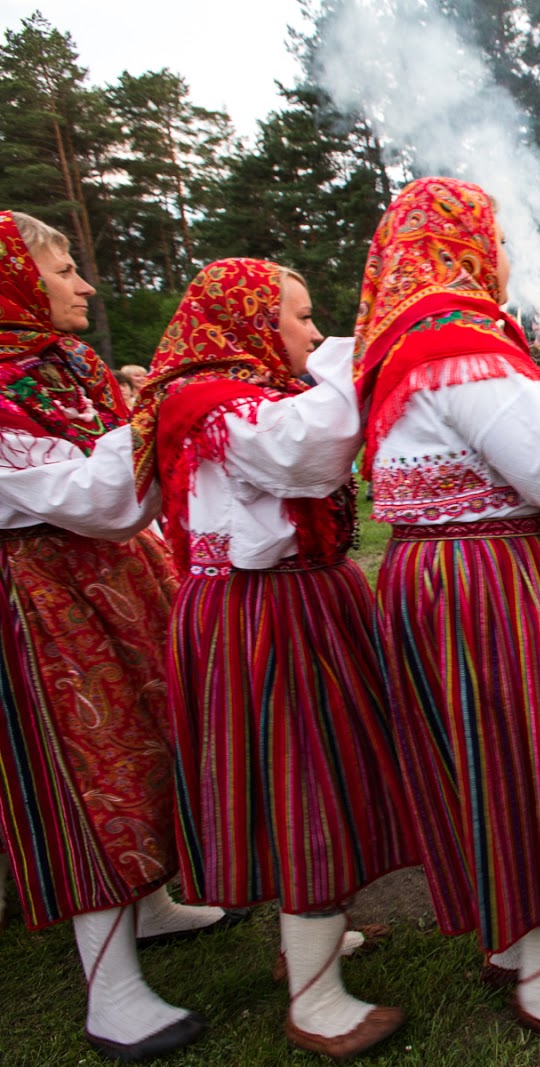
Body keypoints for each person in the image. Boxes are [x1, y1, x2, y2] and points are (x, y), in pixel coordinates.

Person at [355, 177, 540, 1045]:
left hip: (425, 573)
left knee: (477, 757)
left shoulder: (388, 348)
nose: (509, 256)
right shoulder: (458, 344)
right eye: (500, 237)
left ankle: (517, 937)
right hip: (494, 583)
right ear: (464, 246)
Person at [130, 258, 418, 1057]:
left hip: (297, 599)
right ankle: (316, 1000)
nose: (314, 331)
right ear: (250, 322)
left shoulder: (242, 396)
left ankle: (309, 941)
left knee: (324, 771)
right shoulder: (211, 400)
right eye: (298, 315)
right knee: (306, 779)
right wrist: (356, 357)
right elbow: (309, 454)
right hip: (264, 612)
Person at [0, 210, 230, 1061]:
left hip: (113, 577)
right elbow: (95, 495)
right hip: (39, 601)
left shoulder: (66, 368)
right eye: (64, 271)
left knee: (148, 739)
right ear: (15, 282)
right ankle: (110, 989)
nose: (84, 286)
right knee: (88, 767)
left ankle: (152, 903)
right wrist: (165, 410)